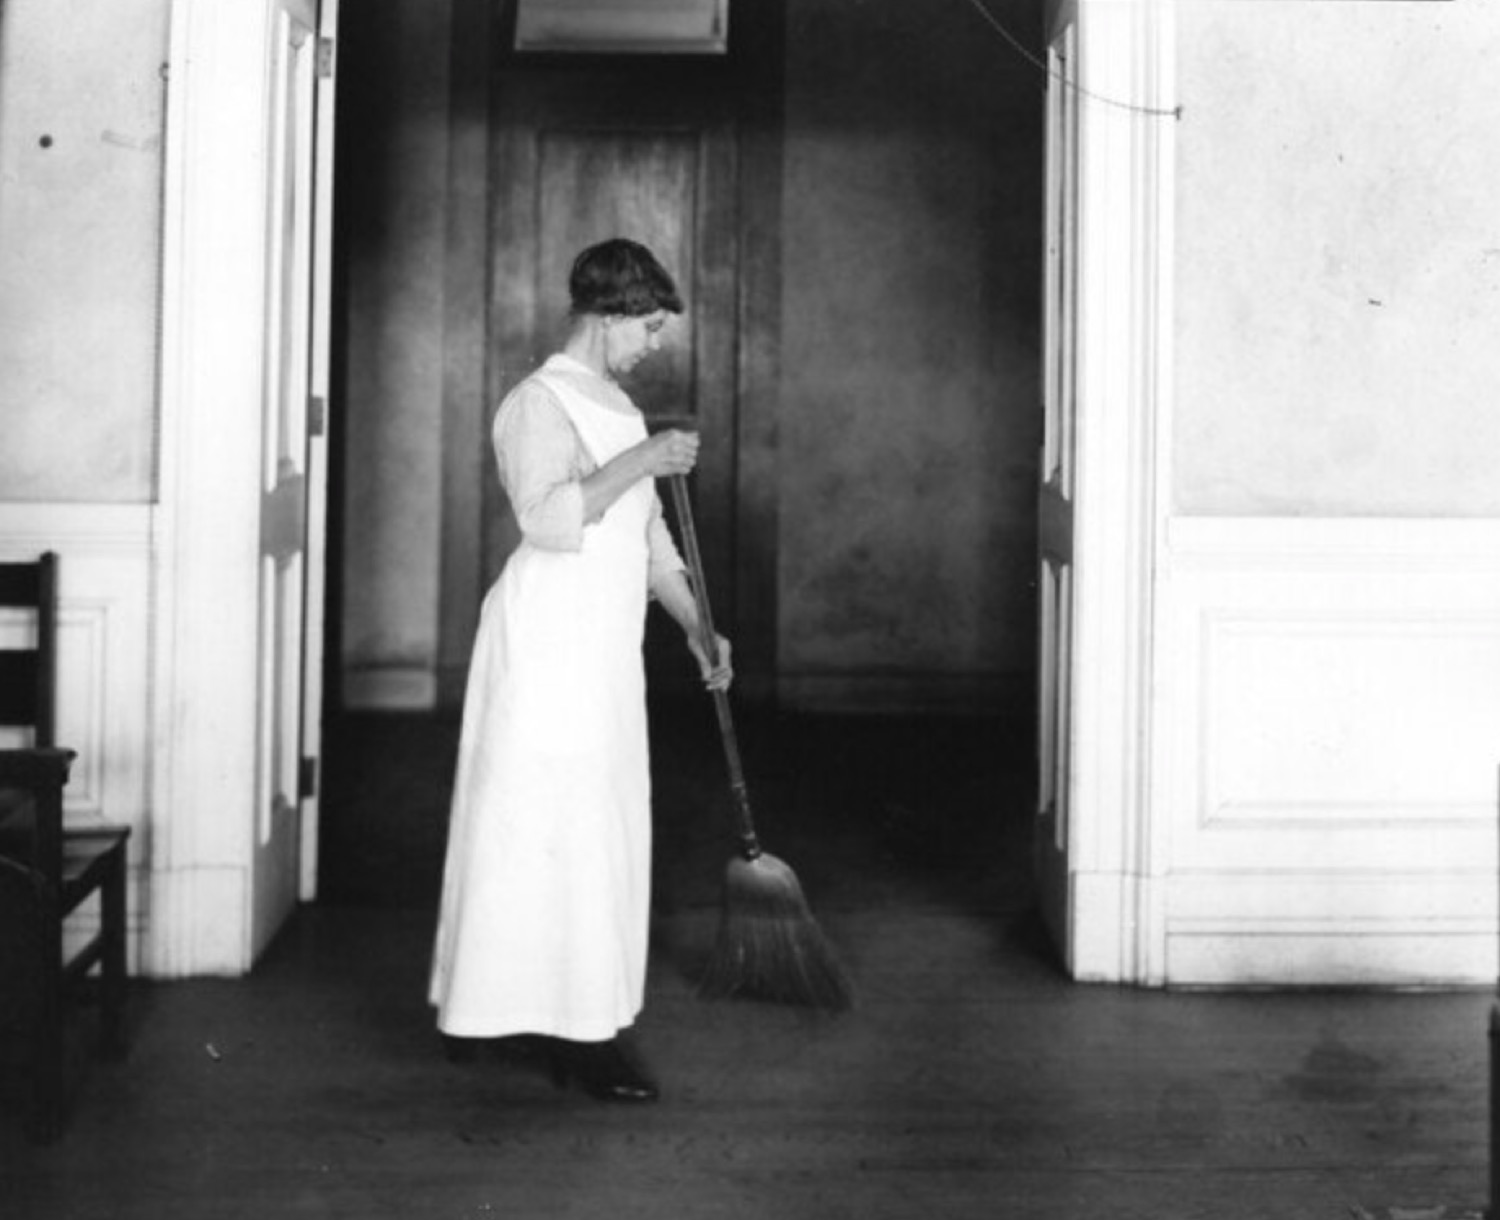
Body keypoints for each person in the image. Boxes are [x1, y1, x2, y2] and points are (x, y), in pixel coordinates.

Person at [428, 238, 731, 1104]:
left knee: (591, 828)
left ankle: (569, 1018)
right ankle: (531, 1024)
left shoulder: (618, 406)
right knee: (530, 825)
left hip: (599, 648)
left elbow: (647, 538)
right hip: (543, 641)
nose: (657, 343)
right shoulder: (537, 401)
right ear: (609, 315)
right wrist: (642, 462)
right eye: (650, 327)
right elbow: (548, 519)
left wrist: (697, 626)